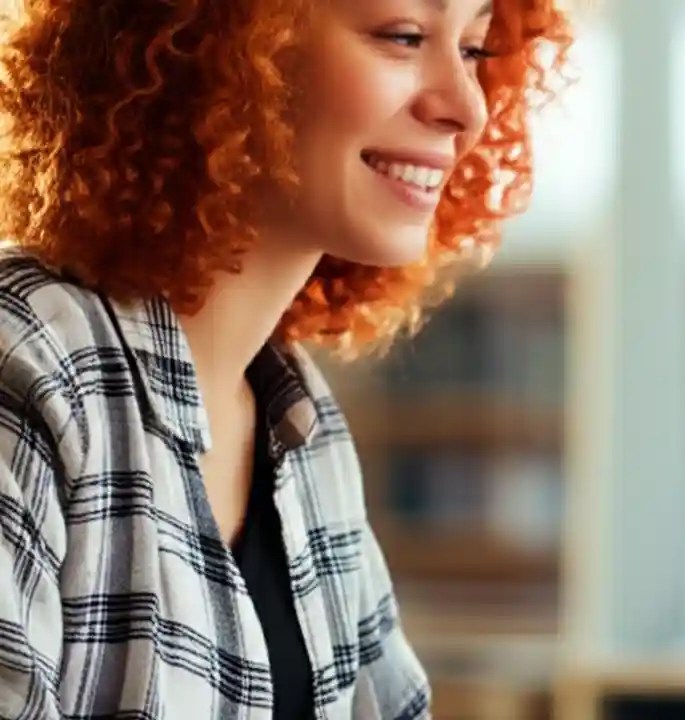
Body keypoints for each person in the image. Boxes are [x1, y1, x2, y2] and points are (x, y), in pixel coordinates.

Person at [0, 0, 571, 717]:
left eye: (474, 50)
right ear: (219, 43)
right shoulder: (30, 359)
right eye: (403, 36)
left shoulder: (303, 425)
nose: (467, 107)